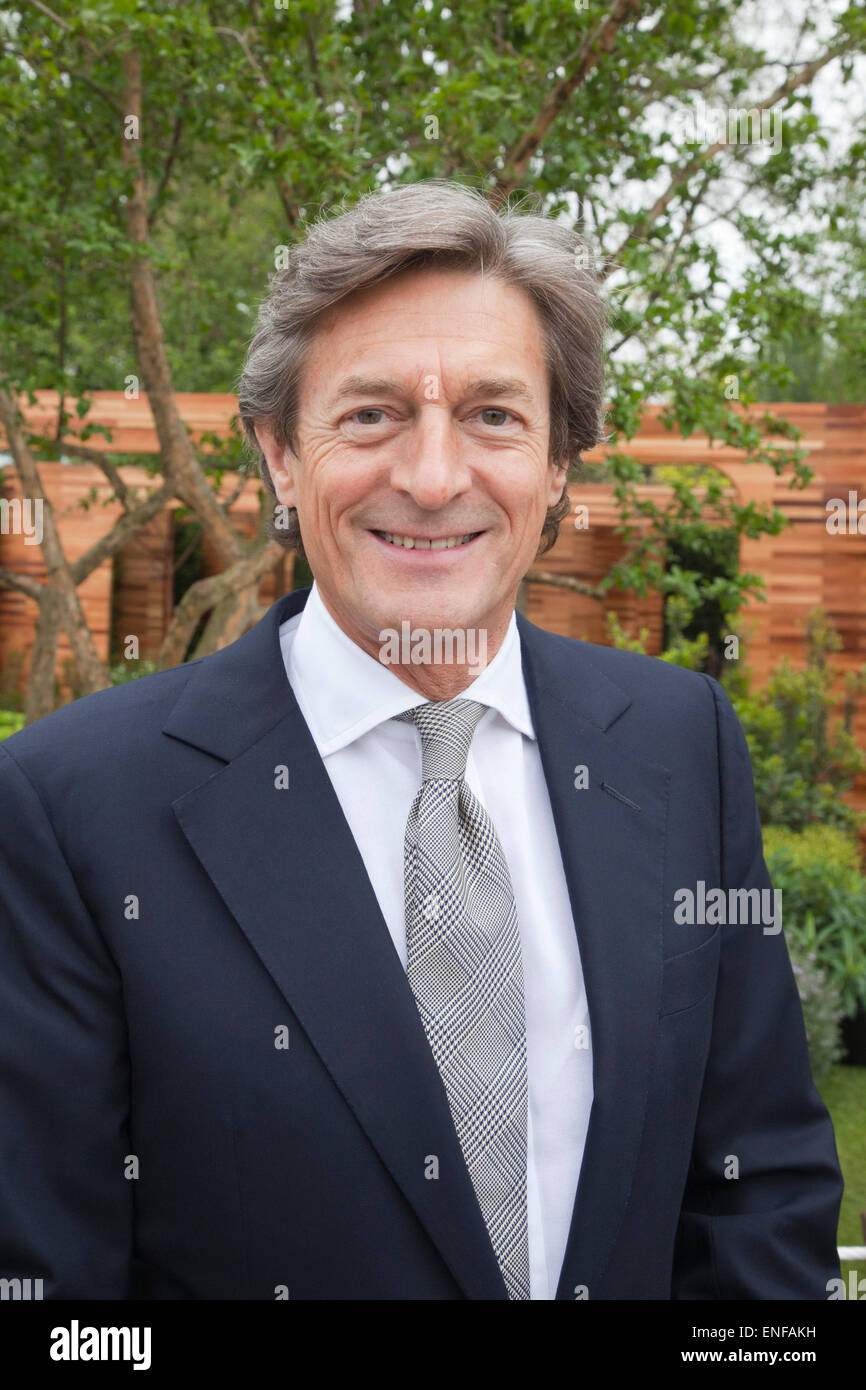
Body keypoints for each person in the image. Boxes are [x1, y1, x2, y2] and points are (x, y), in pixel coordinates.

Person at [0, 180, 843, 1300]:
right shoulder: (72, 808)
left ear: (554, 468)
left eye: (493, 414)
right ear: (279, 458)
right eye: (370, 414)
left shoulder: (679, 744)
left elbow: (757, 1191)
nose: (433, 477)